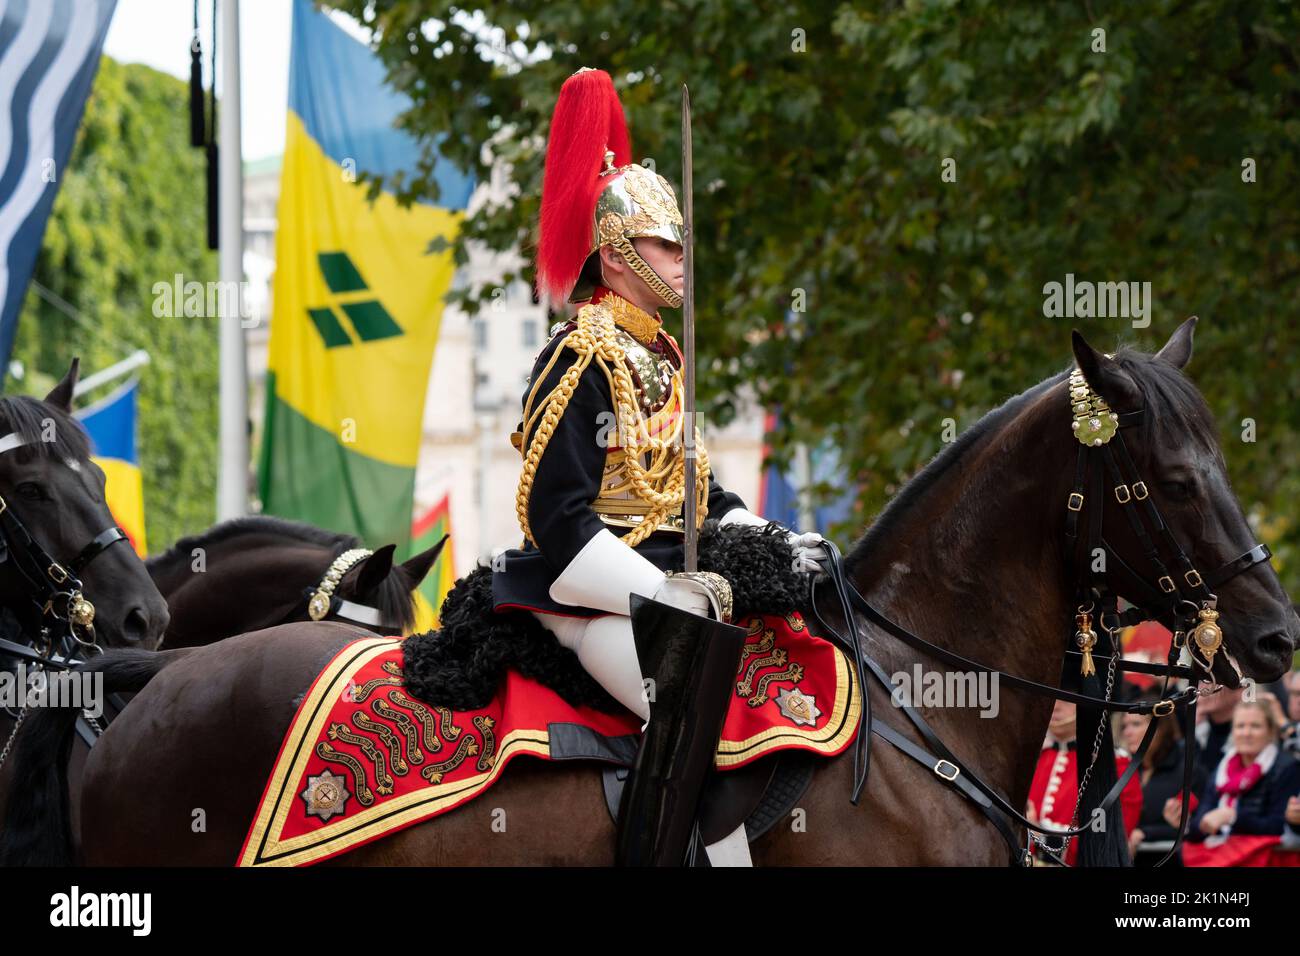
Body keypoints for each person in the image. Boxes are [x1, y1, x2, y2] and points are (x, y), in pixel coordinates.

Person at [490, 68, 826, 866]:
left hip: (668, 578)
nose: (682, 261)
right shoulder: (582, 353)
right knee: (687, 705)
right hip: (586, 598)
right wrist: (665, 595)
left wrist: (772, 540)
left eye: (681, 244)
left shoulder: (663, 358)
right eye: (664, 245)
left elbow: (701, 495)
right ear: (615, 254)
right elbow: (555, 517)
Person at [1167, 698, 1300, 866]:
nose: (1246, 733)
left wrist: (1233, 817)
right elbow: (1199, 825)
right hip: (1224, 857)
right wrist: (1186, 822)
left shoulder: (1287, 767)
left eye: (1255, 726)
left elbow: (1279, 826)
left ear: (1270, 731)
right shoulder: (1222, 769)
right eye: (1240, 726)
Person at [1025, 700, 1143, 865]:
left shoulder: (1115, 764)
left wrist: (1041, 839)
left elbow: (1105, 840)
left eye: (1065, 700)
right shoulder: (1041, 758)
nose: (1055, 706)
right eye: (1053, 698)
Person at [1119, 701, 1206, 866]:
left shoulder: (1189, 771)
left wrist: (1144, 833)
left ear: (1161, 728)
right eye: (1125, 726)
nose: (1128, 732)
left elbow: (1193, 827)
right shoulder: (1126, 771)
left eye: (1136, 724)